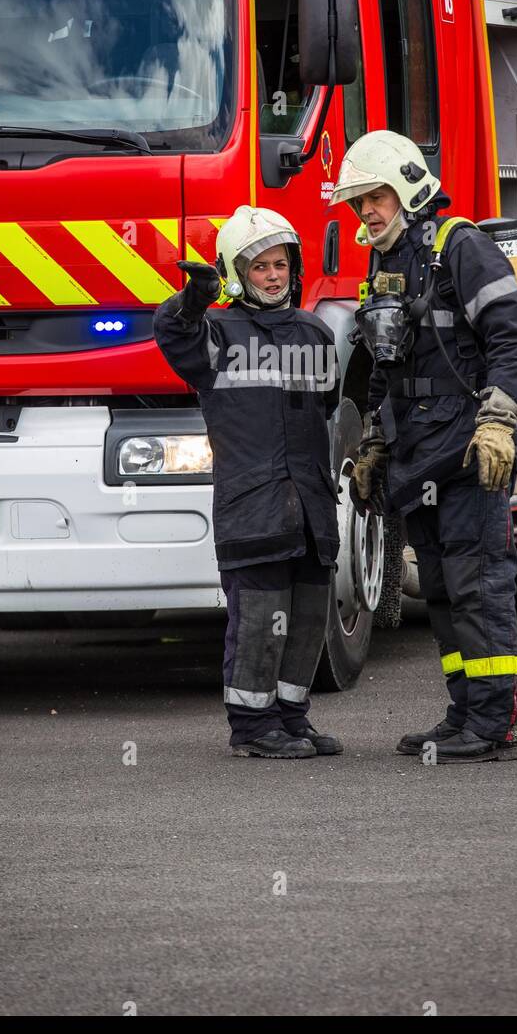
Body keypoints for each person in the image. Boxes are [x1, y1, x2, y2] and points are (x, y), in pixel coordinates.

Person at [329, 130, 517, 763]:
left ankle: (495, 721)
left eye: (376, 197)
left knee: (478, 585)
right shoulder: (384, 264)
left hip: (471, 450)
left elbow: (515, 339)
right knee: (446, 590)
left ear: (408, 186)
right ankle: (464, 713)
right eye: (358, 202)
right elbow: (384, 368)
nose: (366, 211)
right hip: (418, 454)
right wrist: (372, 441)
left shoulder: (463, 249)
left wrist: (499, 421)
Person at [153, 205, 343, 759]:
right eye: (259, 266)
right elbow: (170, 332)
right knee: (259, 620)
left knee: (307, 616)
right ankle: (252, 729)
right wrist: (194, 300)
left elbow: (327, 406)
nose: (274, 275)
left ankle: (291, 717)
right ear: (237, 273)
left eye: (281, 264)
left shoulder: (313, 331)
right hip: (253, 505)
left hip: (309, 506)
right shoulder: (215, 332)